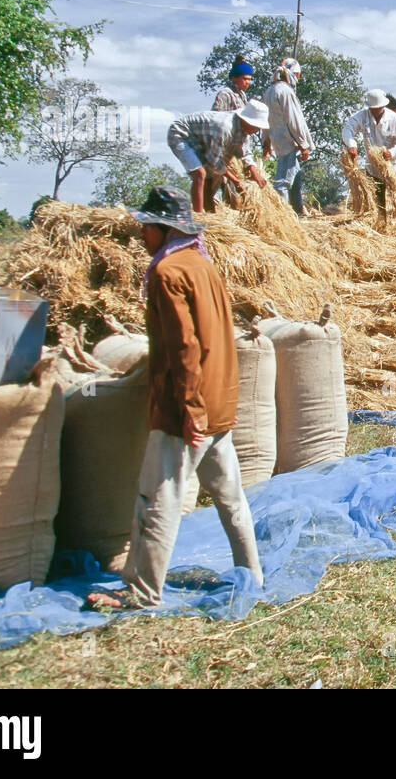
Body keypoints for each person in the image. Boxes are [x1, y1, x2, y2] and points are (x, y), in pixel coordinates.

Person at [87, 185, 263, 609]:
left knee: (157, 500)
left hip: (187, 410)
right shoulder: (203, 265)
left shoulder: (168, 274)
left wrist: (189, 413)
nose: (142, 235)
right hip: (218, 404)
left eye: (147, 226)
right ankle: (252, 574)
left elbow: (184, 350)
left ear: (165, 230)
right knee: (231, 497)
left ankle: (142, 591)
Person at [166, 102, 270, 213]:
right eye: (257, 126)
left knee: (211, 177)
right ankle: (198, 218)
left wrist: (254, 172)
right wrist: (236, 181)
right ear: (248, 121)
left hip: (201, 140)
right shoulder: (224, 128)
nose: (258, 130)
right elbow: (213, 161)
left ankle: (210, 213)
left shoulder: (243, 130)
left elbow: (245, 152)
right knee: (200, 174)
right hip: (181, 133)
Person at [343, 89, 396, 223]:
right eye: (373, 108)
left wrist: (392, 152)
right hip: (373, 167)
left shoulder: (395, 119)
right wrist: (351, 144)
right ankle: (381, 223)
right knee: (377, 197)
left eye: (378, 108)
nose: (375, 111)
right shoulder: (362, 116)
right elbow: (348, 129)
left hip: (394, 167)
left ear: (383, 106)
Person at [262, 58, 312, 215]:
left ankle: (298, 211)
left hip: (277, 139)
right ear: (294, 74)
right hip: (289, 140)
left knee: (295, 177)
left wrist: (266, 142)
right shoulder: (285, 91)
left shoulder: (269, 91)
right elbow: (294, 120)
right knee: (283, 181)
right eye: (297, 74)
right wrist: (303, 144)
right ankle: (282, 216)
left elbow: (265, 120)